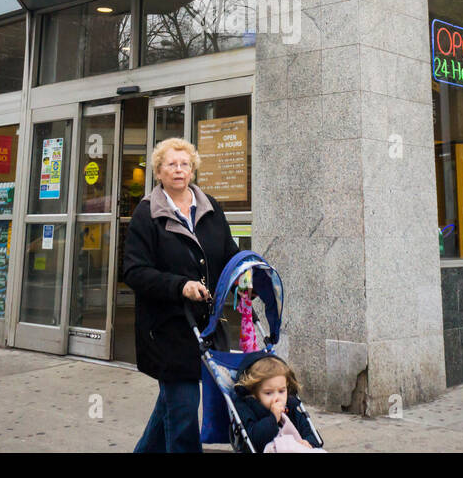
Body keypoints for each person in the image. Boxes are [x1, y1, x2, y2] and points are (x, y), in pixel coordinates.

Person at [123, 137, 237, 453]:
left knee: (171, 409)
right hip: (167, 331)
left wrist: (246, 274)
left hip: (205, 329)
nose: (179, 170)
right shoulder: (147, 215)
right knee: (185, 414)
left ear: (193, 170)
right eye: (171, 164)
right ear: (159, 171)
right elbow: (134, 271)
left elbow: (228, 253)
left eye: (185, 164)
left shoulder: (211, 208)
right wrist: (180, 286)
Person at [231, 352, 324, 452]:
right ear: (255, 394)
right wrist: (273, 418)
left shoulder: (290, 408)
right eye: (268, 393)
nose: (277, 398)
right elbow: (254, 440)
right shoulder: (248, 409)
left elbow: (309, 432)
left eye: (281, 391)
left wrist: (308, 442)